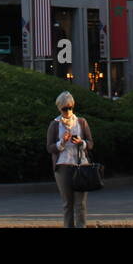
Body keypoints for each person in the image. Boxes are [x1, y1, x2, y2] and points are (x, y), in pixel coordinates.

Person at [46, 91, 94, 227]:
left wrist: (82, 143)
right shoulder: (55, 124)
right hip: (63, 166)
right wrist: (61, 143)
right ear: (59, 108)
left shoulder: (81, 122)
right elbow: (49, 147)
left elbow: (90, 143)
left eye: (70, 108)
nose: (68, 111)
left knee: (81, 204)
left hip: (81, 165)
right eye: (64, 108)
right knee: (68, 204)